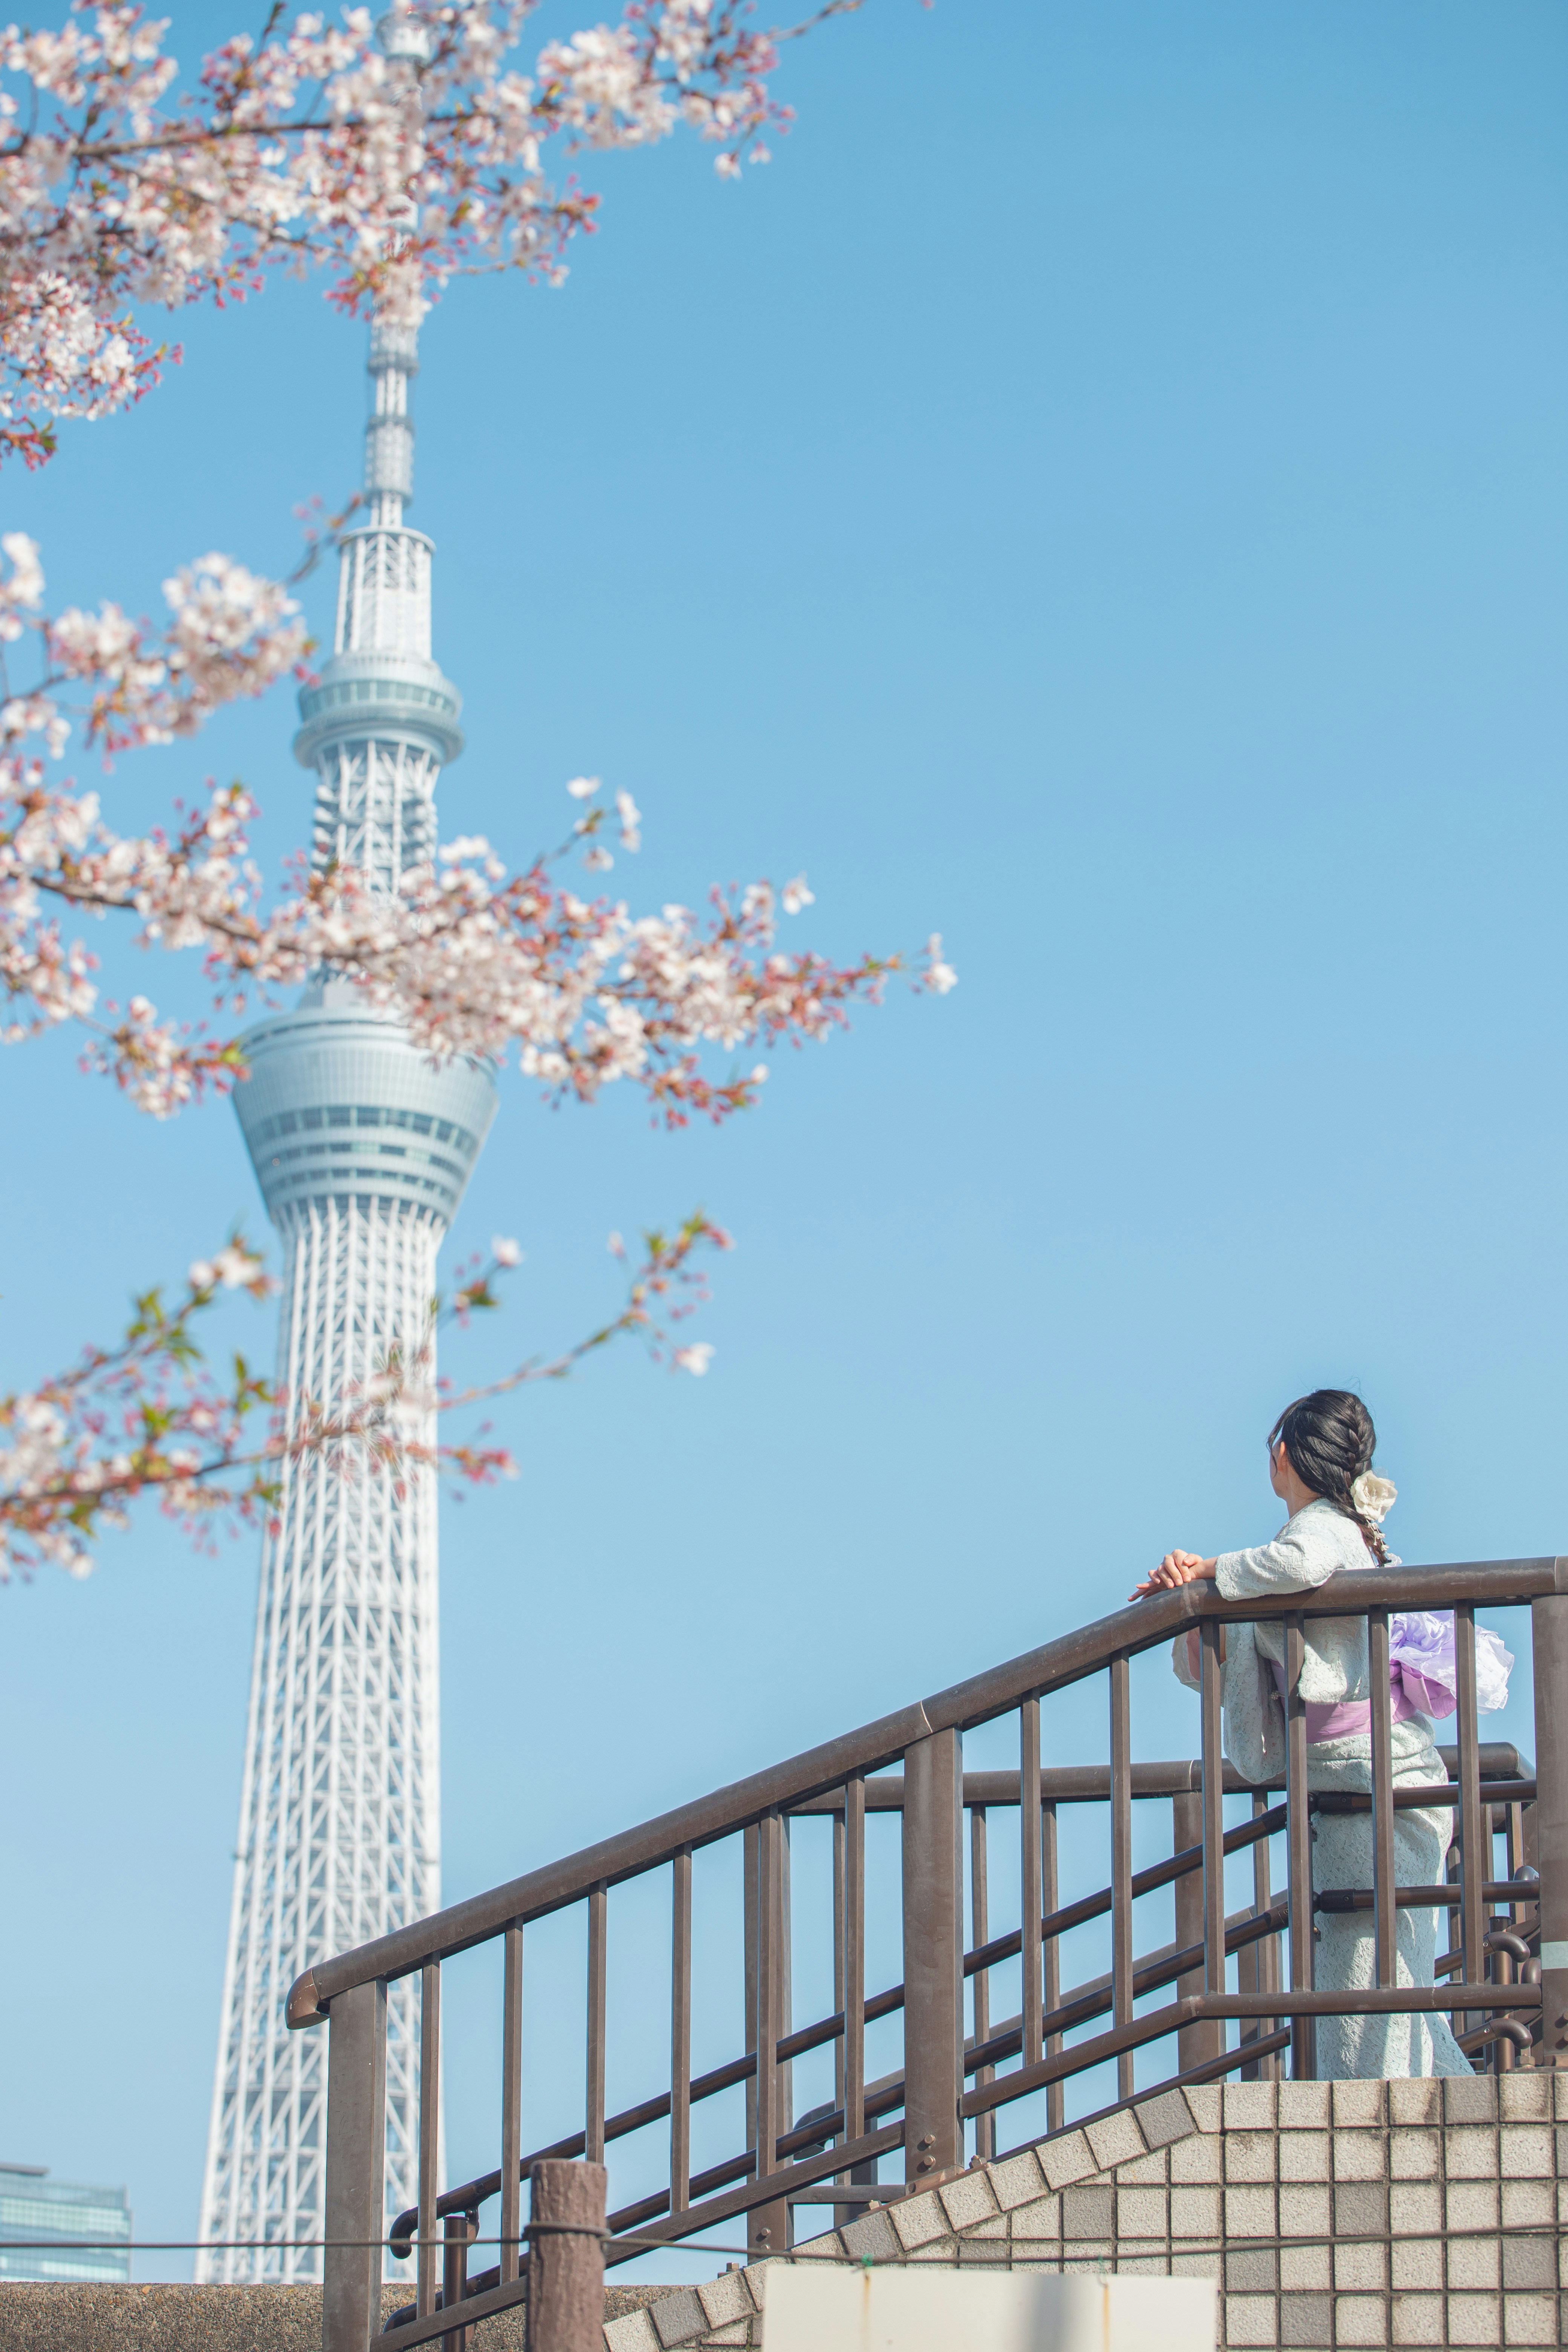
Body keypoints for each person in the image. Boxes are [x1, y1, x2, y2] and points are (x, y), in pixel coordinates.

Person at [1130, 1389, 1473, 2079]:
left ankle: (1370, 2112)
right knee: (1377, 1963)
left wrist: (1207, 1570)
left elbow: (1300, 1567)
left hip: (1372, 1778)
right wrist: (1196, 1597)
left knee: (1364, 1961)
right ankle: (1426, 2108)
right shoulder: (1336, 1529)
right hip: (1363, 1777)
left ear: (1282, 1456)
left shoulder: (1321, 1532)